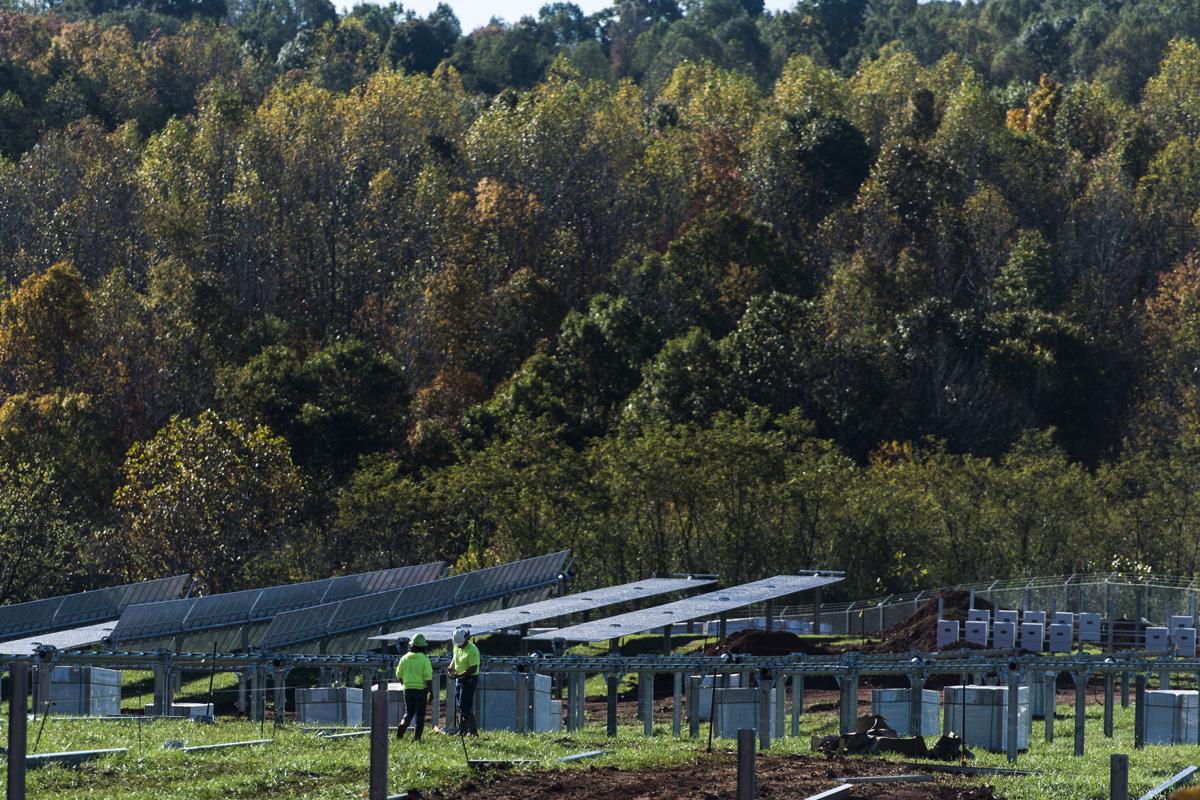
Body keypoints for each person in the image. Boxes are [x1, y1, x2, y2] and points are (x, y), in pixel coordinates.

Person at [396, 633, 433, 741]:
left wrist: (405, 685)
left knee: (408, 713)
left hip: (408, 690)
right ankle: (417, 739)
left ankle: (400, 732)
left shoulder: (404, 658)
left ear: (412, 645)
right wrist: (431, 692)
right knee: (420, 716)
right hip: (421, 691)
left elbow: (399, 674)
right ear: (423, 647)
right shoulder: (424, 659)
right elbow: (428, 678)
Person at [448, 626, 480, 736]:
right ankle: (473, 732)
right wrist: (451, 666)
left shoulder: (472, 650)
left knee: (464, 706)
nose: (459, 645)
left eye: (461, 644)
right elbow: (455, 657)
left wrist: (457, 675)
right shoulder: (457, 645)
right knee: (461, 705)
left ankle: (463, 731)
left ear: (466, 639)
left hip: (469, 679)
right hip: (460, 678)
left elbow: (473, 669)